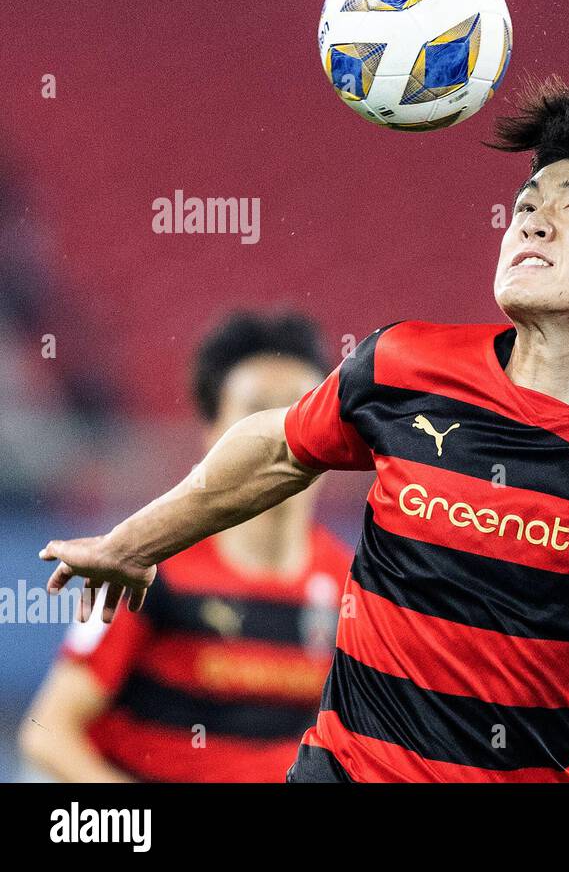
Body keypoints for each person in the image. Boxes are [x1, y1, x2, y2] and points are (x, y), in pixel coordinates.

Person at [39, 79, 569, 782]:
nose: (531, 224)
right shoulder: (405, 365)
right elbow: (276, 447)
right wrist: (131, 544)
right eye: (525, 207)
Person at [21, 312, 352, 781]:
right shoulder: (149, 568)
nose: (284, 436)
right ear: (217, 437)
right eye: (259, 414)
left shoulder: (352, 585)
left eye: (300, 412)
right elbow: (47, 733)